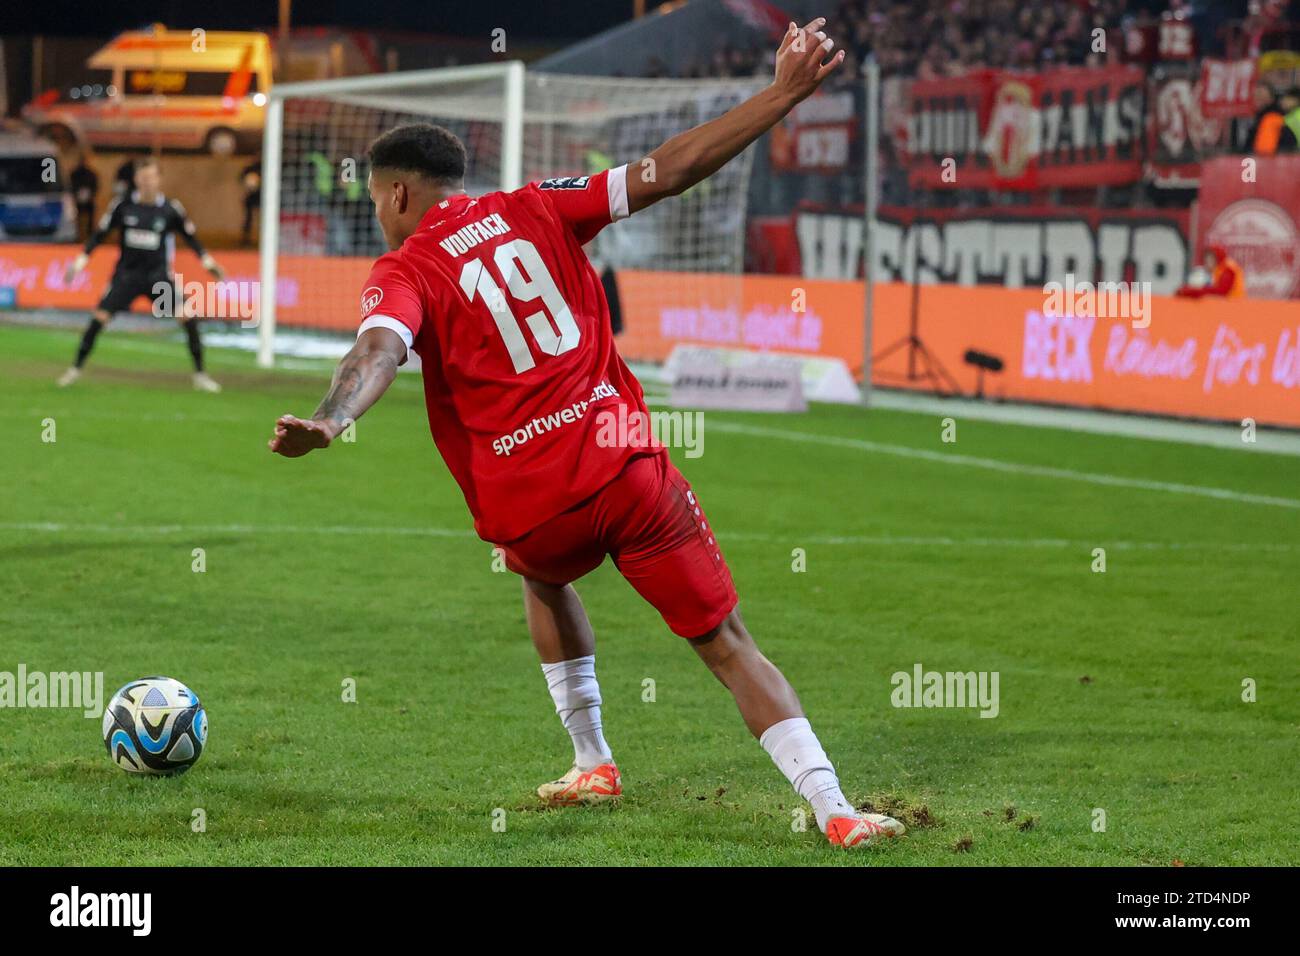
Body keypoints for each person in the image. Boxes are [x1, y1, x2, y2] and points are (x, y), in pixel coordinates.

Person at [268, 19, 904, 850]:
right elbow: (671, 168)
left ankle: (593, 758)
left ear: (396, 195)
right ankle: (836, 812)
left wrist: (331, 418)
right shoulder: (540, 203)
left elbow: (378, 347)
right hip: (626, 473)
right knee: (725, 645)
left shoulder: (405, 268)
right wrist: (782, 93)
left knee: (540, 578)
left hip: (531, 509)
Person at [58, 158, 226, 391]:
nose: (147, 182)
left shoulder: (170, 209)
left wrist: (208, 263)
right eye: (143, 177)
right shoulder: (122, 206)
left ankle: (200, 375)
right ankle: (74, 370)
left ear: (159, 179)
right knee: (99, 319)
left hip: (158, 277)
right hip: (126, 277)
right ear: (136, 179)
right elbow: (99, 235)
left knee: (188, 316)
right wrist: (79, 262)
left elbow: (191, 239)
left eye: (151, 177)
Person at [1176, 245, 1245, 298]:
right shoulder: (1218, 271)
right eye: (1206, 259)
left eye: (1210, 259)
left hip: (1233, 308)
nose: (1207, 262)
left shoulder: (1227, 269)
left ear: (1217, 258)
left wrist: (1193, 292)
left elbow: (1220, 291)